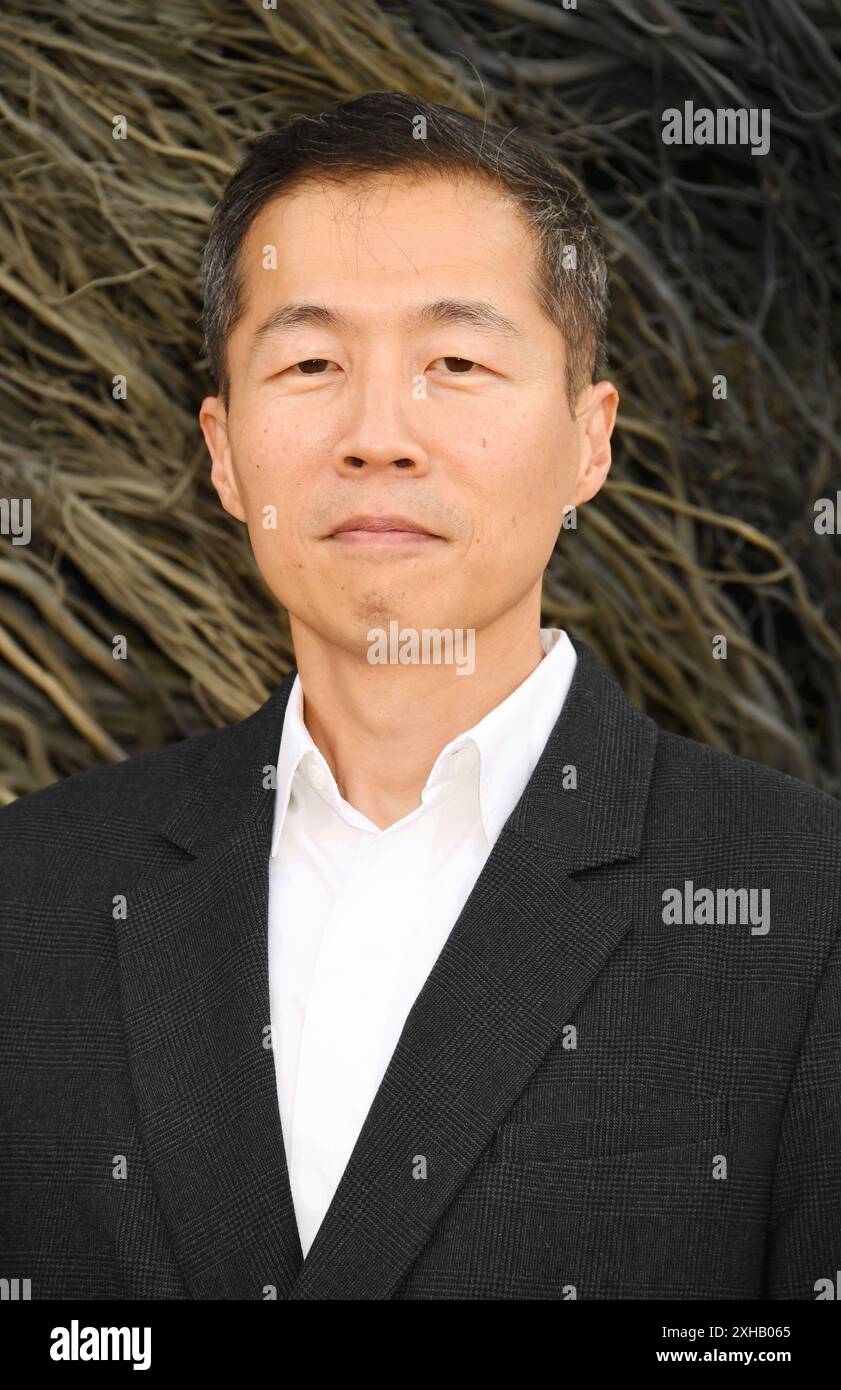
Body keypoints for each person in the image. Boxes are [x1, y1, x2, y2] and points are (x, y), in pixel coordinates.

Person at [1, 91, 838, 1302]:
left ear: (587, 441)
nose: (377, 434)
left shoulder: (803, 906)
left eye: (455, 361)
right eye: (310, 363)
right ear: (224, 450)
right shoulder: (34, 895)